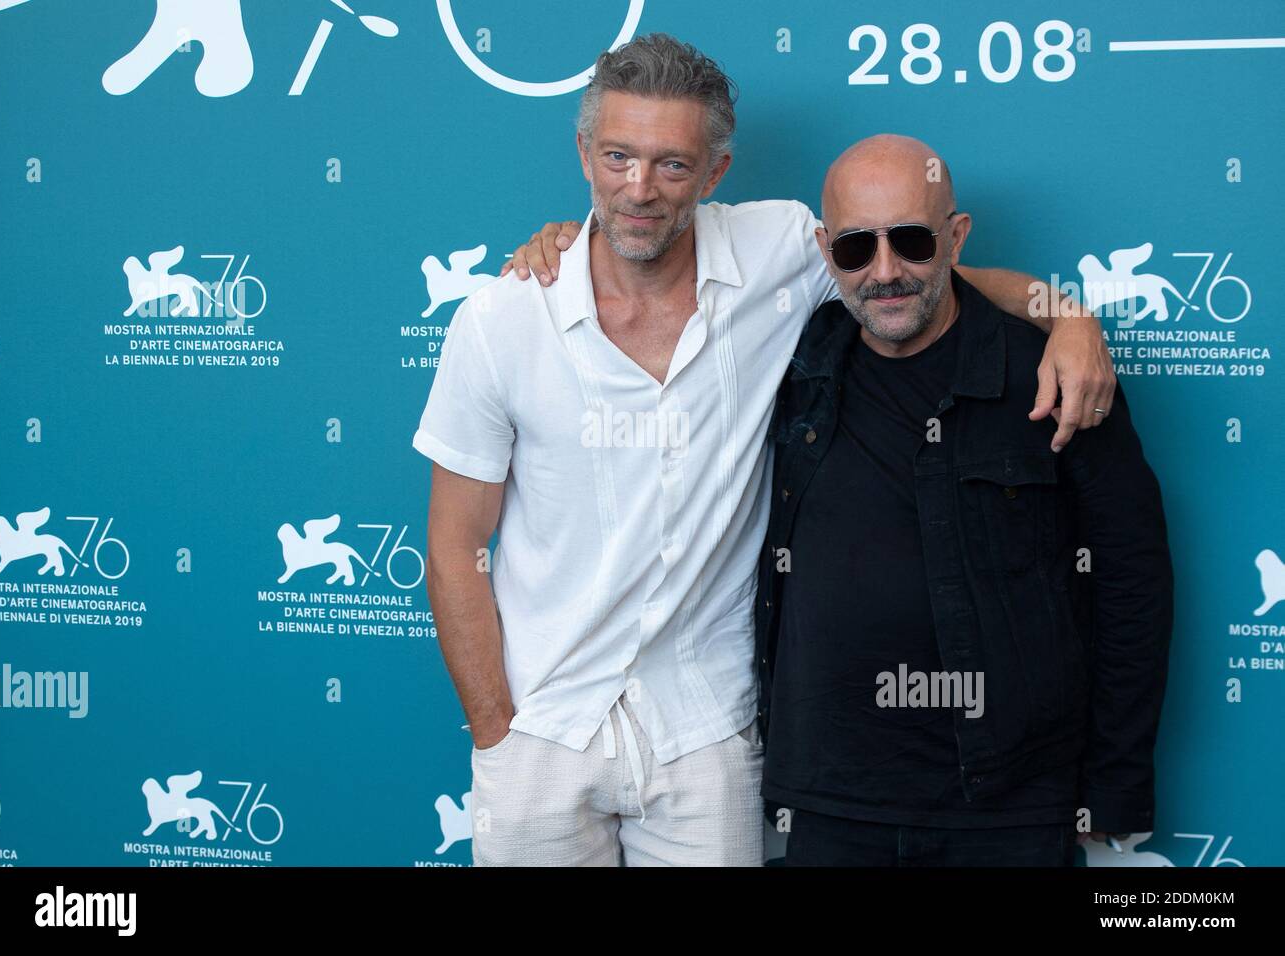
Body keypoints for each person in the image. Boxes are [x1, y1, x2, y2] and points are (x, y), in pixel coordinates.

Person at [419, 34, 1113, 866]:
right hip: (544, 730)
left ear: (714, 174)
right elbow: (456, 547)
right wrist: (498, 733)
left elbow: (922, 275)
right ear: (584, 154)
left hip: (706, 735)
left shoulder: (781, 250)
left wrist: (1068, 315)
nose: (639, 188)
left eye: (672, 165)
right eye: (618, 156)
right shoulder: (501, 319)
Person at [752, 134, 1173, 865]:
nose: (885, 273)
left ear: (956, 236)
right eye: (856, 250)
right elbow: (649, 261)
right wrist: (568, 244)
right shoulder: (791, 359)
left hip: (1009, 801)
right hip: (830, 801)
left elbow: (1131, 583)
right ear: (825, 252)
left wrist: (1113, 780)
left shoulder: (1052, 376)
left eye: (913, 241)